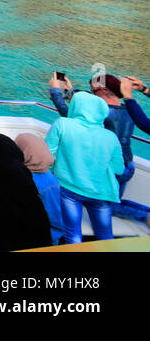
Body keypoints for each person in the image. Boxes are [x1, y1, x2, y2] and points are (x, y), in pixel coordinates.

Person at [50, 72, 150, 221]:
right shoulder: (130, 110)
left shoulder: (102, 114)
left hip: (111, 168)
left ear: (103, 90)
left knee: (107, 206)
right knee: (115, 201)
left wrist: (55, 92)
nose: (92, 96)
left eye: (93, 92)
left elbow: (71, 116)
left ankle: (145, 216)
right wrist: (69, 90)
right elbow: (84, 109)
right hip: (128, 165)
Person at [46, 90, 124, 244]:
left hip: (68, 189)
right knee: (105, 236)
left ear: (75, 106)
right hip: (101, 192)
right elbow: (119, 169)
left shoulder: (63, 124)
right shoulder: (111, 136)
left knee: (73, 234)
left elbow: (48, 155)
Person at [15, 132, 64, 246]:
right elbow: (57, 218)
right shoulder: (52, 179)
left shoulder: (21, 178)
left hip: (31, 239)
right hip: (50, 237)